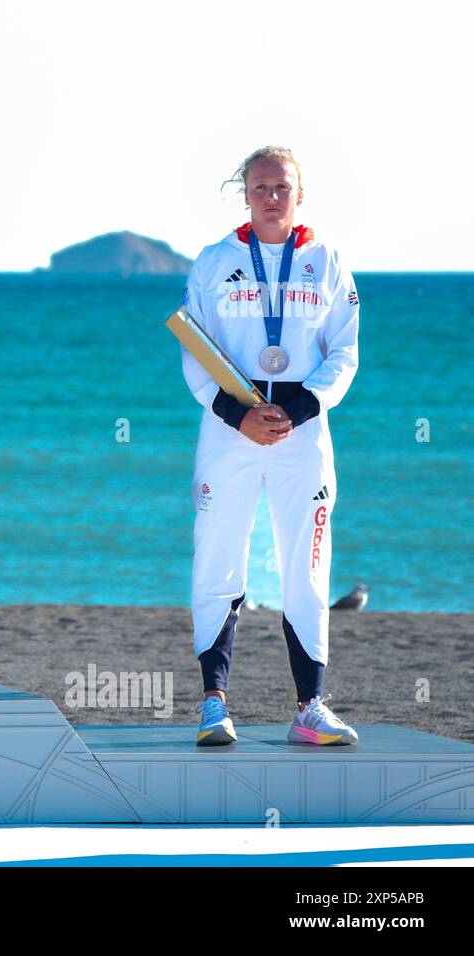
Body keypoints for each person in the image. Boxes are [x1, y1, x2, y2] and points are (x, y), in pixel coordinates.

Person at [178, 146, 360, 747]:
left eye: (281, 186)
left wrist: (302, 409)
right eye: (259, 187)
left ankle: (309, 707)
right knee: (216, 558)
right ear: (245, 194)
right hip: (231, 431)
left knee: (306, 565)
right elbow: (195, 351)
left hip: (302, 432)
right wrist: (238, 414)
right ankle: (213, 703)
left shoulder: (327, 261)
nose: (271, 197)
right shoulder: (214, 262)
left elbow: (344, 353)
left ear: (299, 193)